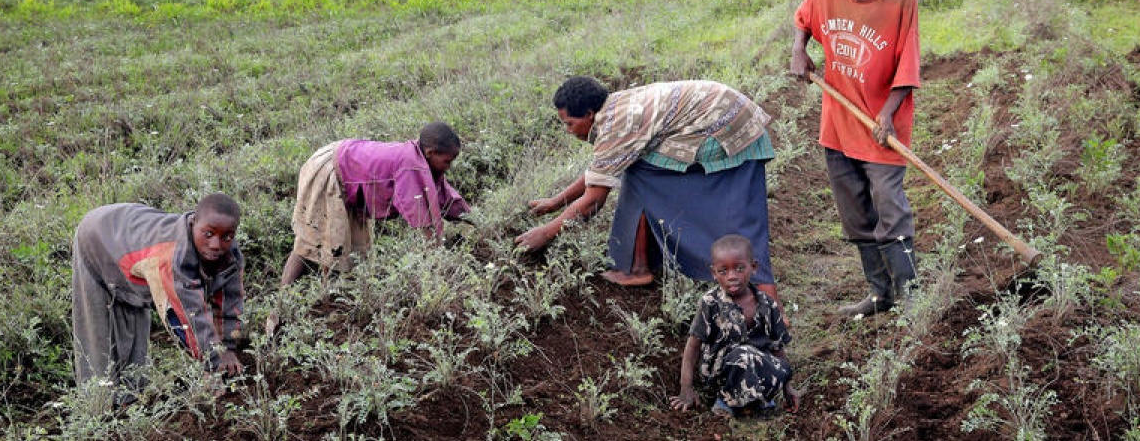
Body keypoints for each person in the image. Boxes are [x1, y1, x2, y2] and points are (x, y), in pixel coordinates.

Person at [518, 76, 781, 301]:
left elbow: (593, 199)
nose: (567, 130)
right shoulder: (613, 109)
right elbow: (601, 170)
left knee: (641, 173)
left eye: (569, 123)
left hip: (727, 126)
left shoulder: (616, 126)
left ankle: (638, 268)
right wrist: (556, 202)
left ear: (588, 114)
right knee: (641, 170)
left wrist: (545, 233)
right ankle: (639, 264)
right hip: (727, 112)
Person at [790, 0, 921, 316]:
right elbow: (804, 21)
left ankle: (911, 299)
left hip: (883, 127)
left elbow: (908, 68)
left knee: (889, 206)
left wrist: (886, 115)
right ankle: (880, 296)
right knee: (854, 211)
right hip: (839, 124)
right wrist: (800, 49)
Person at [71, 193, 245, 403]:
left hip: (131, 228)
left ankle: (131, 396)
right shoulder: (170, 256)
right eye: (208, 234)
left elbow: (230, 300)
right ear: (193, 223)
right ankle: (98, 406)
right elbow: (185, 316)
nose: (217, 244)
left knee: (136, 321)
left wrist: (228, 346)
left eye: (227, 236)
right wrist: (212, 364)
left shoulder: (230, 254)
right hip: (98, 235)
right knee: (97, 327)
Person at [278, 121, 471, 287]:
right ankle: (292, 297)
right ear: (431, 152)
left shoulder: (423, 160)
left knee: (349, 247)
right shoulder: (410, 166)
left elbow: (444, 196)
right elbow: (423, 221)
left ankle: (334, 292)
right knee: (317, 241)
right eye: (447, 161)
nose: (449, 167)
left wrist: (472, 218)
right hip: (331, 171)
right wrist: (438, 266)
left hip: (348, 171)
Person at [670, 233, 798, 417]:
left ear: (753, 268)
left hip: (756, 367)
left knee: (784, 369)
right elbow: (692, 347)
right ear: (714, 273)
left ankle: (754, 399)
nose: (732, 276)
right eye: (723, 271)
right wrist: (686, 388)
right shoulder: (710, 303)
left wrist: (788, 388)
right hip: (722, 372)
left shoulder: (768, 304)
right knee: (743, 355)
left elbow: (778, 348)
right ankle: (727, 400)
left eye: (739, 268)